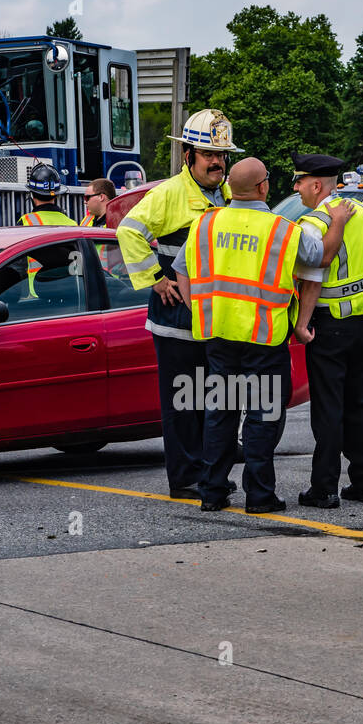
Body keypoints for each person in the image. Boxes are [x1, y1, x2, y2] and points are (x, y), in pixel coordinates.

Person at [174, 157, 354, 513]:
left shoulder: (205, 224)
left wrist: (197, 307)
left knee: (220, 411)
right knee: (261, 416)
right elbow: (322, 258)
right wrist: (338, 221)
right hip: (263, 339)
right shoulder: (282, 230)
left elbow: (181, 271)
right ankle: (259, 496)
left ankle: (212, 492)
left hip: (218, 335)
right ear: (263, 187)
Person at [116, 108, 241, 499]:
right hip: (176, 320)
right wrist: (156, 279)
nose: (218, 162)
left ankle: (208, 474)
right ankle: (185, 478)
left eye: (222, 155)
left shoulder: (228, 194)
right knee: (184, 403)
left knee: (211, 400)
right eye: (210, 155)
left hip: (212, 317)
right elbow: (128, 230)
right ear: (189, 156)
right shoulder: (170, 193)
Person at [290, 152, 363, 509]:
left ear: (317, 185)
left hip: (328, 326)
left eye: (299, 181)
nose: (297, 188)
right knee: (360, 404)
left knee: (328, 409)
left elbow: (312, 277)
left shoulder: (314, 223)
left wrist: (300, 324)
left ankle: (325, 488)